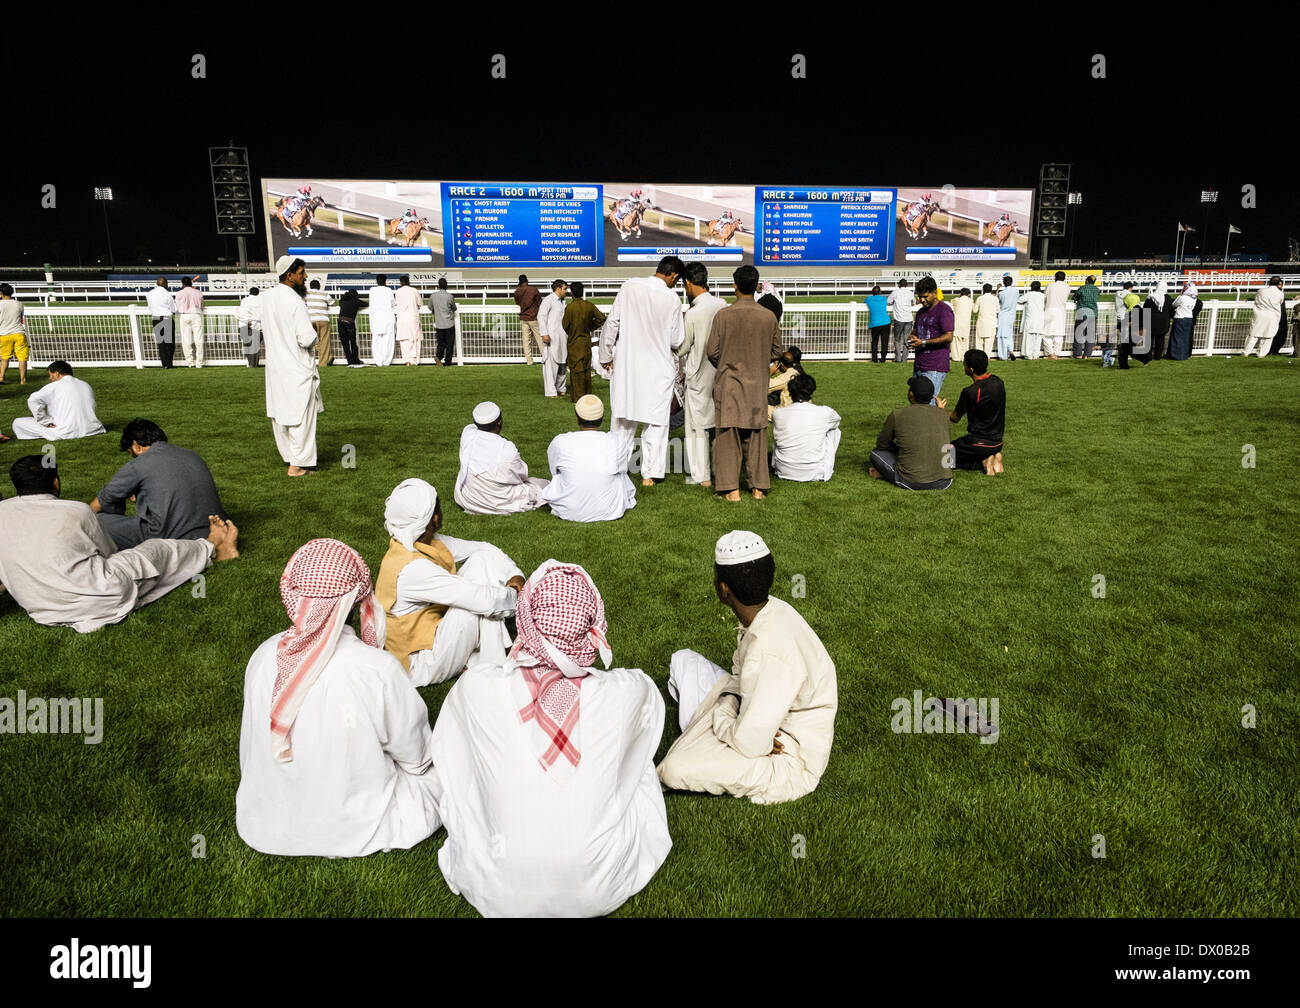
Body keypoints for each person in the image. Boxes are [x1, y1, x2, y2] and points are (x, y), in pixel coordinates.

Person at [430, 559, 671, 917]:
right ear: (592, 620)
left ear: (525, 618)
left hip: (496, 886)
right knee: (639, 766)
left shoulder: (477, 687)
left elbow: (449, 757)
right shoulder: (627, 691)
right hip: (599, 887)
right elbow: (647, 715)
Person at [235, 538, 442, 858]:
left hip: (263, 822)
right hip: (352, 827)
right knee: (445, 769)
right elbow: (418, 759)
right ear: (353, 599)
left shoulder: (262, 655)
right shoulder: (377, 670)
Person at [657, 531, 838, 805]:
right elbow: (742, 679)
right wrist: (734, 708)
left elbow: (751, 745)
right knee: (683, 660)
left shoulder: (769, 650)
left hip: (787, 755)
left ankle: (706, 732)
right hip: (752, 714)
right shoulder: (771, 607)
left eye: (716, 575)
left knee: (674, 769)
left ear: (724, 588)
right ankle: (709, 730)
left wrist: (724, 714)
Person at [0, 455, 238, 633]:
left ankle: (209, 548)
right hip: (99, 598)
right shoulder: (76, 511)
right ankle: (212, 545)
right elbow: (108, 553)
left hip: (40, 608)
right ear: (56, 482)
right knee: (157, 549)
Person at [376, 477, 525, 686]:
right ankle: (494, 671)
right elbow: (485, 601)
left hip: (434, 633)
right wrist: (519, 596)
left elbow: (485, 549)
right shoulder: (412, 570)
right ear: (433, 519)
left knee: (480, 561)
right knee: (475, 608)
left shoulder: (425, 542)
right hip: (419, 663)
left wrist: (514, 575)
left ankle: (485, 661)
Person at [598, 255, 686, 488]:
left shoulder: (630, 286)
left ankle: (616, 468)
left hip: (628, 368)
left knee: (622, 422)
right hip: (658, 370)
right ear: (674, 276)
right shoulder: (672, 299)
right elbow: (677, 340)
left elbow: (612, 323)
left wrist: (605, 356)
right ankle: (650, 475)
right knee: (656, 425)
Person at [708, 265, 784, 502]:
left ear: (735, 286)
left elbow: (712, 351)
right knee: (757, 436)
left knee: (728, 436)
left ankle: (731, 490)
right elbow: (777, 351)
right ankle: (758, 487)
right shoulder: (768, 316)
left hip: (729, 384)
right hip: (756, 385)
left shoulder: (723, 315)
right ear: (756, 286)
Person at [91, 418, 227, 549]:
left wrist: (80, 518)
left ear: (136, 446)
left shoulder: (139, 464)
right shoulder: (193, 455)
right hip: (211, 529)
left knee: (96, 522)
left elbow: (104, 499)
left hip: (170, 536)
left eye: (130, 453)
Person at [261, 256, 322, 478]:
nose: (305, 277)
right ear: (290, 275)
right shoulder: (295, 302)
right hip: (296, 367)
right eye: (301, 273)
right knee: (301, 417)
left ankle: (291, 457)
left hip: (275, 368)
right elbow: (306, 338)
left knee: (281, 416)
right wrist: (315, 336)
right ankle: (297, 465)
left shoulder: (266, 299)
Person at [541, 395, 637, 523]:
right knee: (620, 475)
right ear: (602, 419)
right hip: (609, 509)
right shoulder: (616, 441)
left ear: (577, 419)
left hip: (569, 509)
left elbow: (554, 471)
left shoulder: (560, 441)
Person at [452, 402, 548, 514]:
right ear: (500, 422)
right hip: (497, 500)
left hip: (468, 498)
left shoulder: (467, 435)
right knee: (543, 485)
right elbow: (521, 476)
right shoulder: (507, 449)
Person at [678, 262, 724, 486]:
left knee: (697, 429)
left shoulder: (693, 313)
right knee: (718, 425)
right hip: (722, 373)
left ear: (688, 283)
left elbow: (683, 347)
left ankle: (701, 476)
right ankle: (718, 470)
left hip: (698, 375)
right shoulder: (723, 305)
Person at [868, 375, 953, 491]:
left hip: (912, 481)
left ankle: (886, 474)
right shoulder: (943, 414)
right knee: (947, 446)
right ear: (932, 397)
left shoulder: (897, 415)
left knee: (876, 453)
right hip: (945, 480)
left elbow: (882, 445)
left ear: (911, 394)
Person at [938, 349, 1005, 476]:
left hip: (977, 443)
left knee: (943, 457)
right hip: (998, 442)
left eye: (965, 364)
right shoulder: (998, 382)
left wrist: (941, 410)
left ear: (971, 369)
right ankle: (994, 455)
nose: (963, 366)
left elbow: (955, 417)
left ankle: (983, 461)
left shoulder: (970, 392)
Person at [771, 373, 841, 482]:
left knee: (781, 431)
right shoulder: (824, 412)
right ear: (811, 391)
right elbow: (837, 421)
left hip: (783, 470)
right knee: (834, 429)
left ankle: (779, 462)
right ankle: (816, 460)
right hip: (816, 471)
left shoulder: (778, 413)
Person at [12, 361, 106, 440]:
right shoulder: (85, 384)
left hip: (66, 432)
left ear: (56, 374)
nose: (50, 378)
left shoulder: (54, 386)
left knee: (17, 422)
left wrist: (46, 422)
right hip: (93, 428)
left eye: (50, 375)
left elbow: (32, 400)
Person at [907, 276, 952, 402]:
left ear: (934, 293)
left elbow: (949, 336)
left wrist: (924, 342)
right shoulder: (921, 312)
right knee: (914, 402)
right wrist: (912, 337)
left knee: (927, 406)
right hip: (919, 363)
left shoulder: (944, 310)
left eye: (925, 297)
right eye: (920, 297)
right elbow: (916, 331)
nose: (922, 300)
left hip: (935, 366)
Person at [560, 281, 606, 402]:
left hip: (574, 343)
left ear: (572, 293)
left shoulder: (569, 308)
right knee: (586, 370)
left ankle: (578, 398)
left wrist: (573, 331)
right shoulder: (589, 305)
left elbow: (565, 325)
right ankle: (587, 396)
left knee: (576, 372)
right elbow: (602, 318)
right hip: (586, 342)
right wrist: (590, 327)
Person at [538, 279, 569, 397]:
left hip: (562, 338)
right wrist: (544, 333)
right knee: (551, 365)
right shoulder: (548, 300)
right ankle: (551, 391)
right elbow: (541, 316)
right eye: (565, 289)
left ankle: (561, 388)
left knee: (562, 363)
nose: (566, 291)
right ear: (558, 289)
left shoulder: (562, 302)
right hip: (551, 338)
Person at [1244, 276, 1284, 358]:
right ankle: (1261, 354)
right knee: (1268, 336)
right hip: (1272, 316)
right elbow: (1281, 302)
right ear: (1278, 283)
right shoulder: (1280, 293)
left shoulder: (1261, 291)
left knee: (1253, 334)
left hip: (1259, 314)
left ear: (1269, 282)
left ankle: (1246, 352)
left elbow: (1256, 300)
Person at [143, 277, 177, 369]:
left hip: (156, 318)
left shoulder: (149, 294)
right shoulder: (167, 294)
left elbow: (150, 307)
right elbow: (173, 308)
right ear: (165, 284)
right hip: (166, 318)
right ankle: (169, 364)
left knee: (161, 343)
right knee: (169, 343)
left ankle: (164, 364)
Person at [0, 283, 29, 385]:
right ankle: (22, 380)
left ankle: (1, 377)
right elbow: (21, 319)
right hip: (18, 333)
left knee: (4, 358)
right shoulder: (19, 304)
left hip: (4, 334)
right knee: (22, 358)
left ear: (1, 293)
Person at [174, 276, 205, 368]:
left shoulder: (179, 293)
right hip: (196, 315)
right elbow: (202, 305)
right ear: (191, 284)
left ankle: (190, 362)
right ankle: (199, 363)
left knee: (186, 340)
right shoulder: (198, 292)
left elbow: (177, 306)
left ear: (183, 284)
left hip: (184, 315)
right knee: (199, 339)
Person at [514, 274, 544, 365]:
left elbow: (517, 302)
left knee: (526, 340)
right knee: (540, 339)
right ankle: (545, 357)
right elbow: (540, 302)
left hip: (523, 317)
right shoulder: (533, 289)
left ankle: (529, 360)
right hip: (533, 317)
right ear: (527, 281)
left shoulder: (517, 291)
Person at [427, 277, 457, 367]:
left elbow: (430, 307)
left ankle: (438, 356)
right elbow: (454, 308)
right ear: (446, 286)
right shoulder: (449, 296)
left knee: (440, 343)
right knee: (449, 344)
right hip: (449, 323)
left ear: (438, 286)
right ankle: (447, 362)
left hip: (439, 324)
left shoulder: (433, 296)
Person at [367, 275, 396, 367]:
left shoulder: (372, 290)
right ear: (385, 281)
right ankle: (386, 361)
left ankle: (378, 361)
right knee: (388, 341)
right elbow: (393, 302)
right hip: (387, 318)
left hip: (376, 318)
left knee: (376, 341)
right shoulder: (388, 290)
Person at [305, 279, 334, 368]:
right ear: (319, 286)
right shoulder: (324, 293)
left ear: (310, 286)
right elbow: (333, 304)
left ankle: (327, 358)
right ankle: (324, 362)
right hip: (324, 319)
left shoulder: (305, 293)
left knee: (313, 341)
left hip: (311, 320)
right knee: (325, 342)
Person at [394, 275, 422, 366]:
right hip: (413, 317)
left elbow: (396, 304)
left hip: (402, 318)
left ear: (401, 283)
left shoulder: (398, 291)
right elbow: (420, 303)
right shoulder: (414, 290)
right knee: (415, 340)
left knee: (404, 340)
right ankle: (414, 360)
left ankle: (407, 360)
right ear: (409, 282)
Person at [767, 346, 802, 417]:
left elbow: (764, 387)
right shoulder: (799, 372)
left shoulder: (788, 376)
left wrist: (769, 373)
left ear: (781, 364)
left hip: (787, 414)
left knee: (754, 405)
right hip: (798, 410)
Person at [1072, 275, 1101, 357]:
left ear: (1087, 281)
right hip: (1093, 313)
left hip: (1082, 313)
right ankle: (1087, 355)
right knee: (1090, 336)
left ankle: (1078, 354)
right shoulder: (1096, 289)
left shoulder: (1082, 288)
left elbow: (1074, 297)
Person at [1042, 270, 1069, 359]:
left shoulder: (1050, 286)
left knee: (1046, 334)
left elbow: (1044, 297)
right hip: (1061, 312)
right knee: (1059, 334)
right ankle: (1056, 353)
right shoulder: (1067, 287)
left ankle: (1051, 353)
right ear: (1064, 278)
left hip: (1049, 310)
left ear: (1055, 277)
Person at [886, 279, 915, 364]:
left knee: (897, 339)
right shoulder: (910, 293)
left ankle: (898, 358)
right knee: (907, 339)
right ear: (906, 285)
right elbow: (914, 302)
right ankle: (904, 359)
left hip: (899, 319)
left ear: (899, 285)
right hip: (908, 318)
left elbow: (888, 302)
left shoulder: (895, 292)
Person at [337, 289, 367, 367]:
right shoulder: (355, 301)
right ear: (355, 295)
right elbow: (366, 304)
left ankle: (350, 361)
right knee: (353, 342)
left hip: (340, 321)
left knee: (345, 343)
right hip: (349, 322)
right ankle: (356, 360)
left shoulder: (342, 300)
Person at [1168, 282, 1198, 360]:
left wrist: (1180, 295)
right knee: (1185, 338)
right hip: (1189, 319)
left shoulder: (1182, 297)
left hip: (1180, 318)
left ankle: (1176, 355)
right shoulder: (1194, 298)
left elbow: (1174, 304)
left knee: (1177, 338)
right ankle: (1184, 355)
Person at [1144, 281, 1171, 361]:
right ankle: (1158, 356)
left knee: (1149, 339)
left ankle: (1148, 355)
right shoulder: (1168, 298)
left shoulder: (1151, 297)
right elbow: (1170, 309)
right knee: (1161, 339)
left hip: (1151, 320)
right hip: (1163, 321)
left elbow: (1145, 308)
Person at [1019, 280, 1045, 360]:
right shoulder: (1043, 295)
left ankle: (1028, 355)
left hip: (1031, 319)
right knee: (1037, 339)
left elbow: (1019, 300)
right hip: (1040, 319)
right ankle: (1035, 355)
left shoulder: (1029, 294)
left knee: (1029, 338)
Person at [864, 284, 891, 363]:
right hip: (886, 322)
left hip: (875, 323)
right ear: (880, 292)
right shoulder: (884, 298)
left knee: (875, 341)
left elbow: (865, 301)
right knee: (885, 341)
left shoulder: (869, 299)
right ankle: (883, 358)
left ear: (872, 293)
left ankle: (875, 358)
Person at [238, 286, 263, 368]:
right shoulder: (260, 300)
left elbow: (242, 312)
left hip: (245, 324)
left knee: (248, 346)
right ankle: (254, 364)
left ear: (250, 292)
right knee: (256, 346)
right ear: (258, 293)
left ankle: (251, 364)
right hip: (257, 325)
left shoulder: (244, 300)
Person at [996, 274, 1018, 361]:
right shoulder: (1016, 291)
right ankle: (1010, 350)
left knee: (1002, 336)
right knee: (1009, 335)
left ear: (1004, 283)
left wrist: (997, 288)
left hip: (1003, 315)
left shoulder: (1002, 293)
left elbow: (997, 299)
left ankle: (1003, 356)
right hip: (1012, 315)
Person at [973, 283, 999, 356]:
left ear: (983, 290)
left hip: (981, 323)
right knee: (988, 345)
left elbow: (975, 310)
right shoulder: (995, 299)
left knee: (979, 344)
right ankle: (986, 359)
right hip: (991, 324)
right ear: (991, 290)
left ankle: (978, 359)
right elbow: (997, 310)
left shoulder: (980, 298)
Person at [949, 287, 973, 362]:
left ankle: (956, 357)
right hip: (966, 323)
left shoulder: (957, 300)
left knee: (956, 341)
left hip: (958, 323)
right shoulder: (970, 301)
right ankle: (964, 357)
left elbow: (951, 302)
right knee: (965, 341)